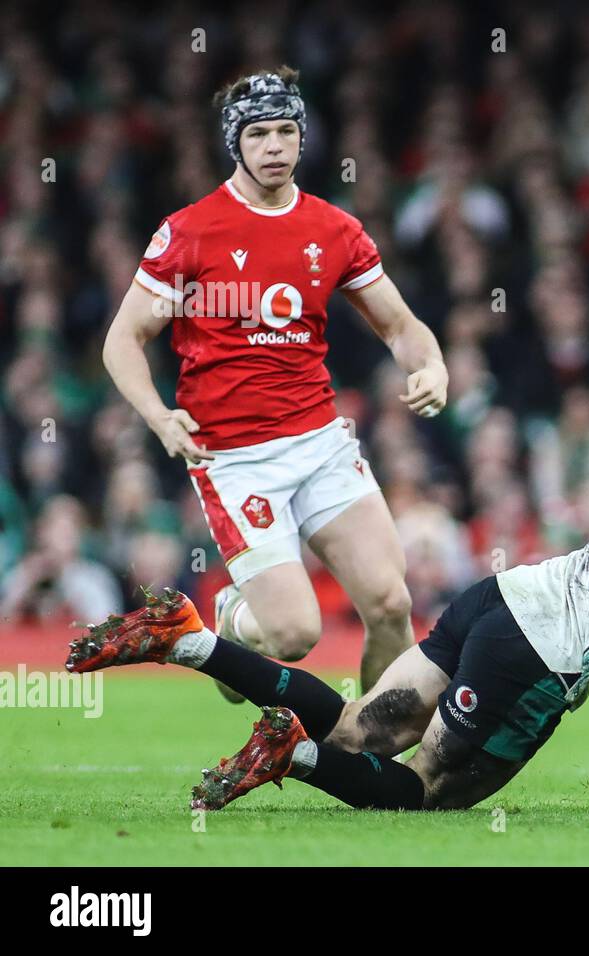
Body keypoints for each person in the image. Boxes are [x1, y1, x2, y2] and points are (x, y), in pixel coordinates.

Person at [65, 467, 589, 812]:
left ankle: (189, 640)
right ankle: (287, 758)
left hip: (505, 594)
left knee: (360, 730)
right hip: (541, 652)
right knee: (426, 795)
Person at [101, 67, 448, 698]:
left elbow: (401, 327)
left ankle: (365, 747)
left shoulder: (334, 230)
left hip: (319, 440)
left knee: (392, 602)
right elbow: (123, 340)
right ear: (235, 142)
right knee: (293, 637)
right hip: (233, 458)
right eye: (259, 134)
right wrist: (158, 416)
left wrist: (432, 366)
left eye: (287, 131)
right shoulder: (189, 232)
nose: (275, 147)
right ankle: (233, 618)